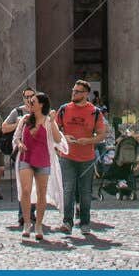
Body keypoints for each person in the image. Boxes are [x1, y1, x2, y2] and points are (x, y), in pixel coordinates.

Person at [55, 79, 105, 233]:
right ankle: (67, 223)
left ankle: (84, 223)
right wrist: (64, 136)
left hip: (87, 158)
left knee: (85, 191)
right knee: (68, 189)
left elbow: (102, 135)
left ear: (86, 94)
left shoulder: (95, 112)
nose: (73, 93)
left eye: (77, 91)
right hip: (67, 156)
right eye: (73, 90)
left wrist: (89, 140)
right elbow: (54, 130)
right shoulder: (64, 109)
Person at [13, 91, 61, 241]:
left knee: (41, 193)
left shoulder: (48, 121)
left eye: (32, 101)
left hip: (43, 159)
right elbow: (16, 138)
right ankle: (27, 223)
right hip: (26, 158)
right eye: (28, 101)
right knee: (26, 190)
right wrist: (20, 144)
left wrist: (53, 122)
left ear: (41, 104)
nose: (29, 104)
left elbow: (58, 140)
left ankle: (39, 224)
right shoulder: (25, 119)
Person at [1, 87, 38, 228]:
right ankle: (22, 215)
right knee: (24, 185)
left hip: (36, 152)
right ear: (23, 98)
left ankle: (31, 212)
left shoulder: (39, 110)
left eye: (31, 96)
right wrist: (20, 122)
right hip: (21, 153)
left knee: (34, 185)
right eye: (26, 96)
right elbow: (4, 128)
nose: (29, 99)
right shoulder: (18, 112)